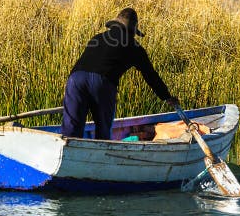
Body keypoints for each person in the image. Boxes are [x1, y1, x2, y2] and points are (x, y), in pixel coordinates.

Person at [61, 7, 178, 139]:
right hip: (102, 81)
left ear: (115, 25)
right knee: (103, 130)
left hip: (75, 79)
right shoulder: (134, 46)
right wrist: (166, 96)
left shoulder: (97, 38)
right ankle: (100, 155)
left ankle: (67, 150)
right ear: (132, 31)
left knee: (70, 130)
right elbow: (150, 75)